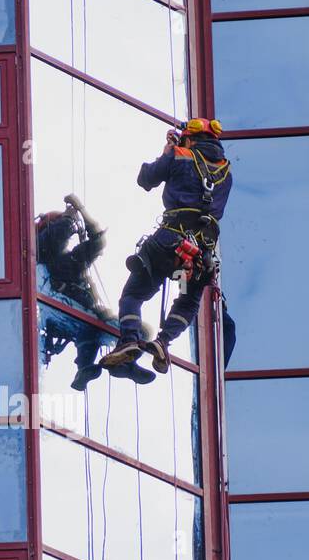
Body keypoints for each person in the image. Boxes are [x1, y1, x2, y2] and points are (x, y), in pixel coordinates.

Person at [101, 117, 236, 374]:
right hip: (198, 257)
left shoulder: (179, 154)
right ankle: (163, 341)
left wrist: (167, 152)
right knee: (187, 300)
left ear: (189, 138)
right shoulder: (227, 172)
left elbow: (146, 179)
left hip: (168, 245)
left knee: (134, 294)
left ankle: (129, 339)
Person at [36, 195, 154, 389]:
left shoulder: (62, 262)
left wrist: (76, 214)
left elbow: (95, 240)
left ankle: (117, 363)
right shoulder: (59, 260)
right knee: (91, 324)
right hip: (69, 312)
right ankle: (110, 364)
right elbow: (94, 240)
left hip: (72, 315)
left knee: (130, 330)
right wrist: (74, 214)